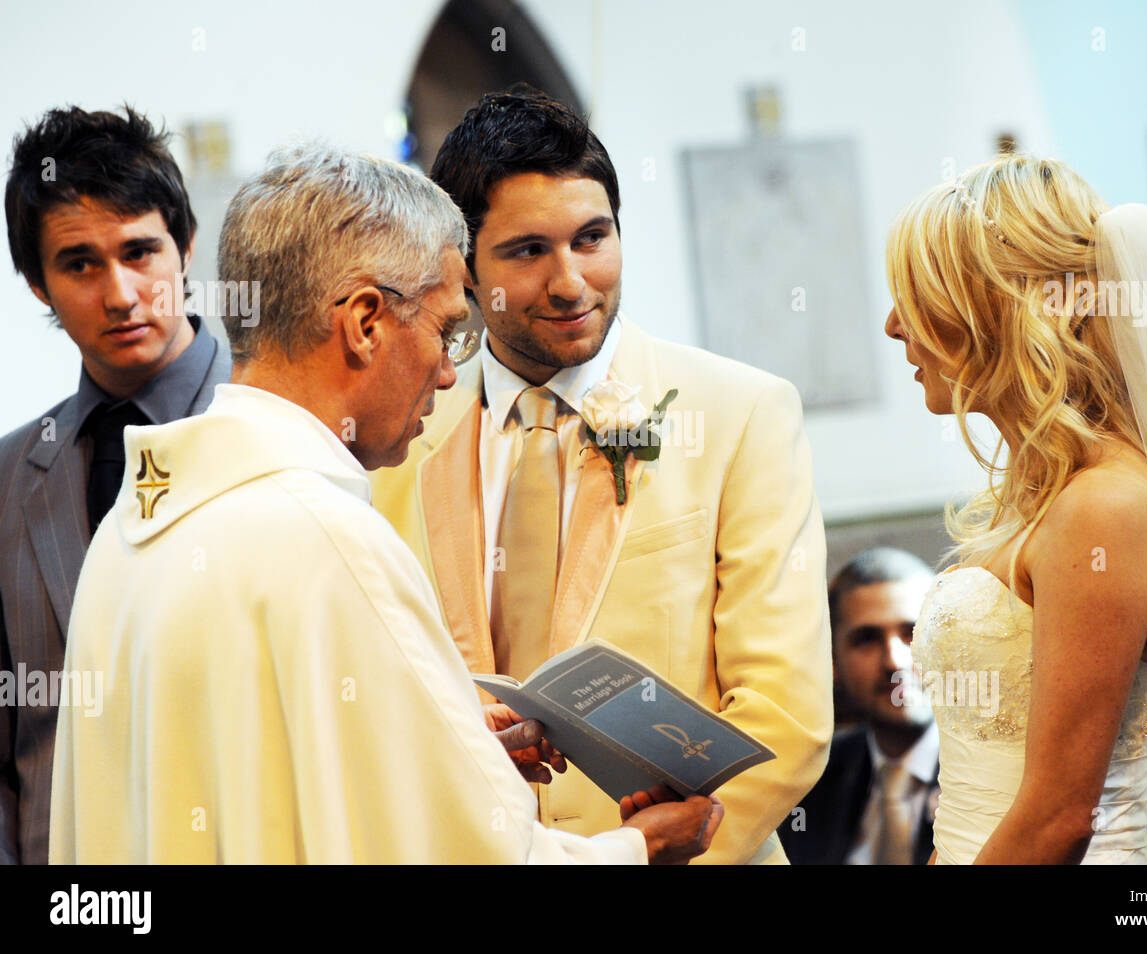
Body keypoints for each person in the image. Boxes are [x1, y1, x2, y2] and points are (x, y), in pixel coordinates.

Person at [49, 144, 723, 864]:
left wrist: (436, 752)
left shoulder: (135, 528)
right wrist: (639, 848)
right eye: (445, 332)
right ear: (366, 323)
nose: (444, 372)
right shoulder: (330, 541)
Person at [369, 84, 832, 864]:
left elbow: (788, 715)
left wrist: (637, 854)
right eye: (528, 251)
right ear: (464, 268)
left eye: (593, 238)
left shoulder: (740, 413)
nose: (572, 281)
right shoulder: (401, 440)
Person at [884, 154, 1147, 864]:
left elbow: (1057, 822)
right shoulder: (1041, 493)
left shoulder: (1104, 508)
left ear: (1005, 306)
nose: (895, 327)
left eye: (921, 297)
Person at [0, 106, 231, 865]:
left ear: (185, 246)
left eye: (140, 251)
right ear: (37, 283)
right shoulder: (8, 478)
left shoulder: (287, 432)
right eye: (80, 264)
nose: (122, 294)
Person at [779, 547, 939, 865]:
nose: (894, 660)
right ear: (833, 660)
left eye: (913, 632)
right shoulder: (806, 782)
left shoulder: (1000, 775)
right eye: (866, 638)